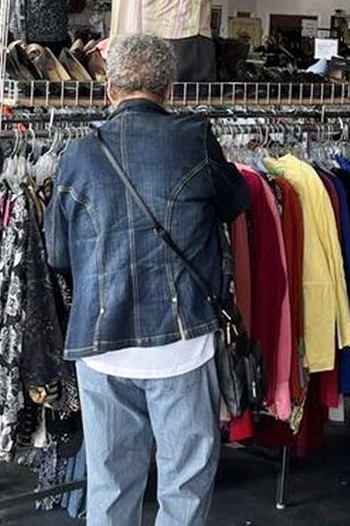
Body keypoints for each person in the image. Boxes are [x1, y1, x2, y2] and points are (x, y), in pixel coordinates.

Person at [45, 33, 248, 525]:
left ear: (109, 88)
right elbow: (236, 202)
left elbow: (56, 251)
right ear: (169, 88)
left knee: (111, 488)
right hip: (181, 343)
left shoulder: (79, 155)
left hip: (102, 342)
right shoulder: (195, 140)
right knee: (184, 486)